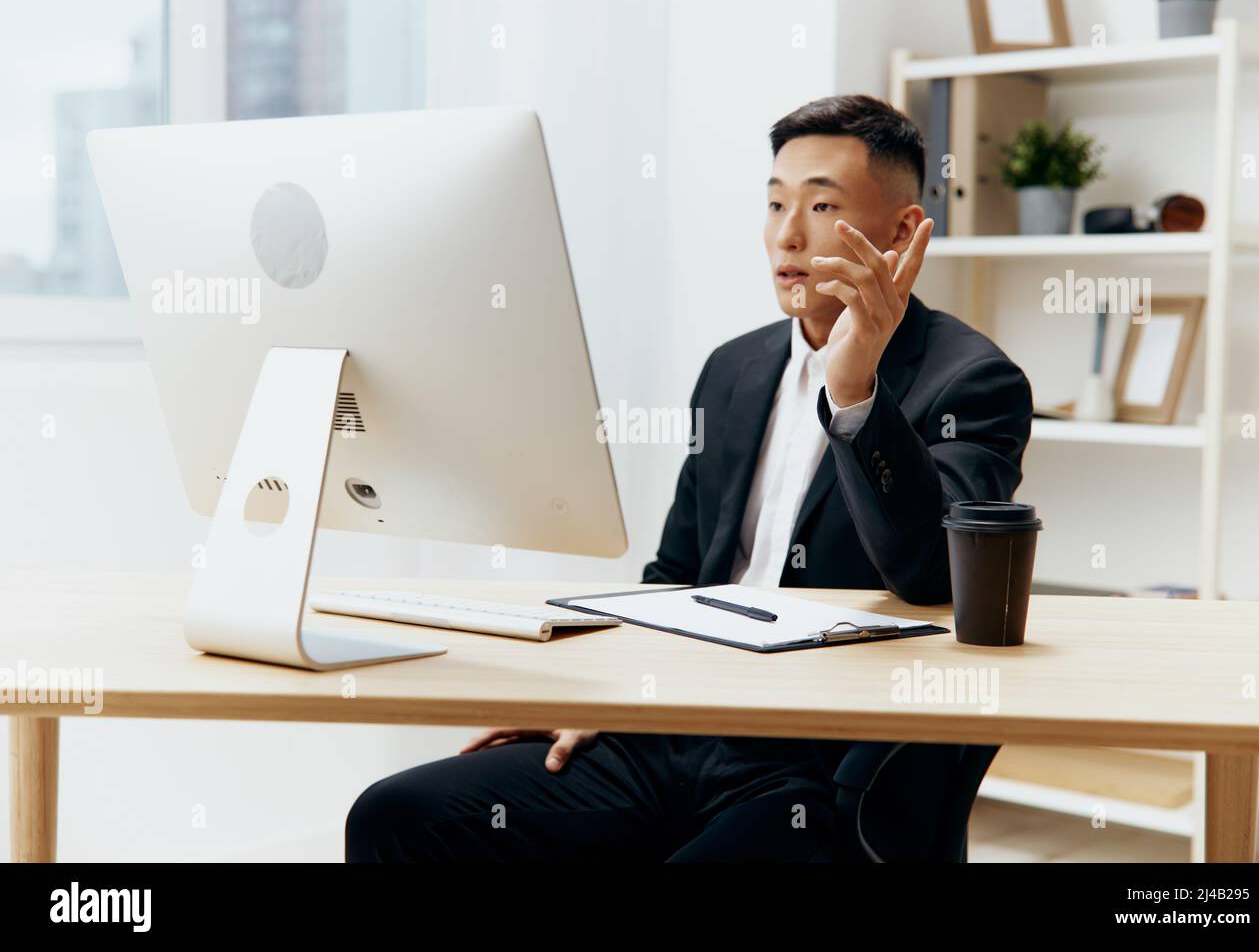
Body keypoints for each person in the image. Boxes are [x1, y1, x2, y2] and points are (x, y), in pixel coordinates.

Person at [346, 94, 1032, 862]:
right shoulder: (734, 368)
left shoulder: (974, 381)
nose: (788, 234)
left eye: (821, 205)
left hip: (808, 764)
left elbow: (930, 572)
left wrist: (855, 391)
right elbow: (673, 573)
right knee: (398, 815)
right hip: (673, 724)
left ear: (904, 231)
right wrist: (599, 698)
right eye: (774, 203)